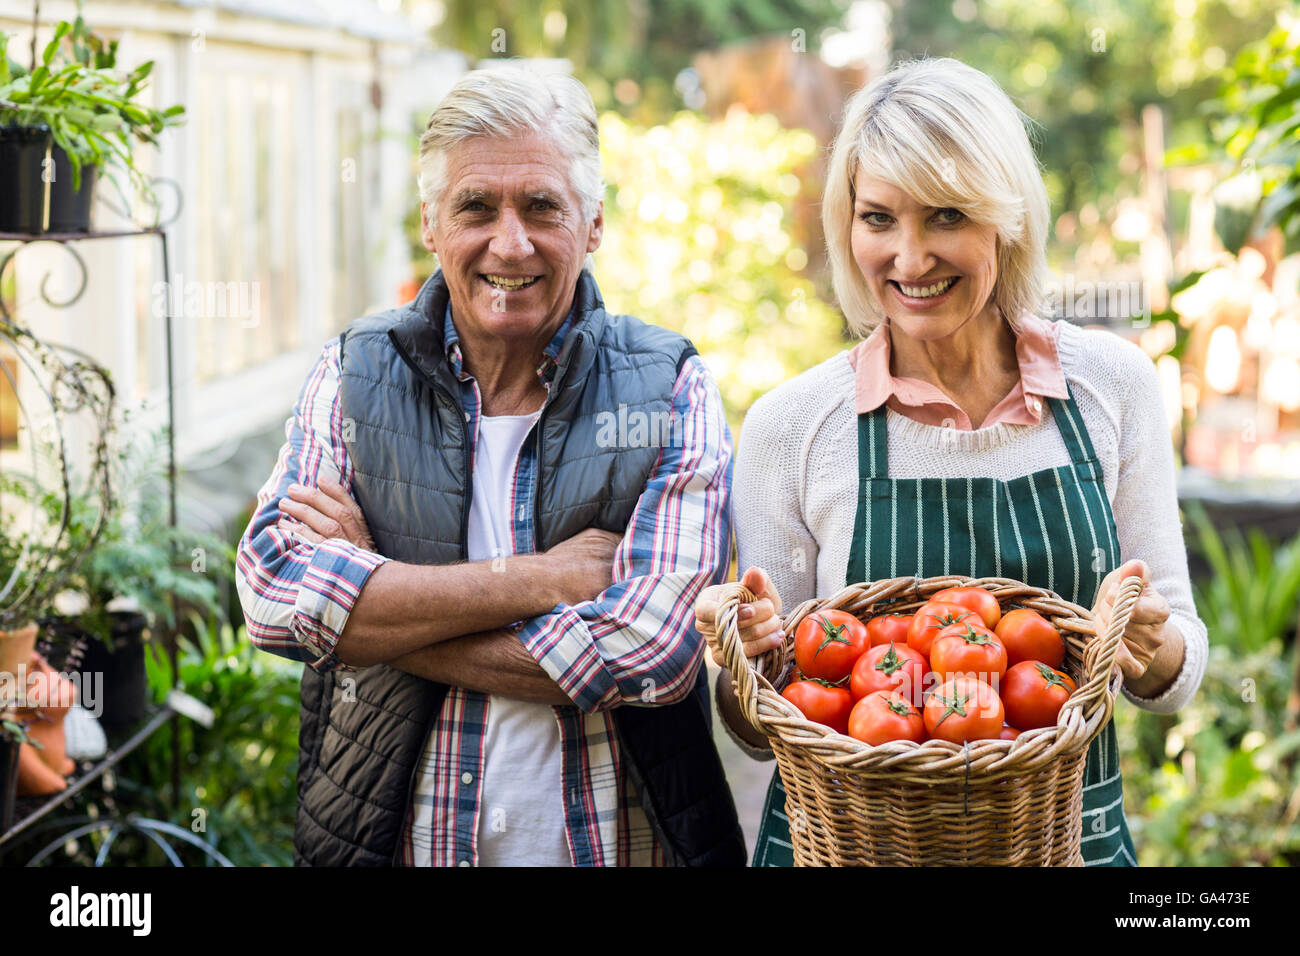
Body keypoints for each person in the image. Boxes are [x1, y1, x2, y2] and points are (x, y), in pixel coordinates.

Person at [694, 57, 1208, 867]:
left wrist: (1149, 638)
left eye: (945, 216)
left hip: (1062, 843)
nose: (909, 257)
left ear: (1004, 219)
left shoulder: (1113, 388)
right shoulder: (791, 426)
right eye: (877, 219)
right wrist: (748, 662)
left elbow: (1173, 673)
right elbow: (760, 734)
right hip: (848, 849)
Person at [235, 66, 745, 867]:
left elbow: (652, 652)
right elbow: (271, 594)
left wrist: (370, 610)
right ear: (432, 224)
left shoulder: (668, 383)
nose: (511, 243)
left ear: (594, 223)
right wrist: (541, 580)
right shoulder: (355, 370)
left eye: (542, 206)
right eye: (476, 207)